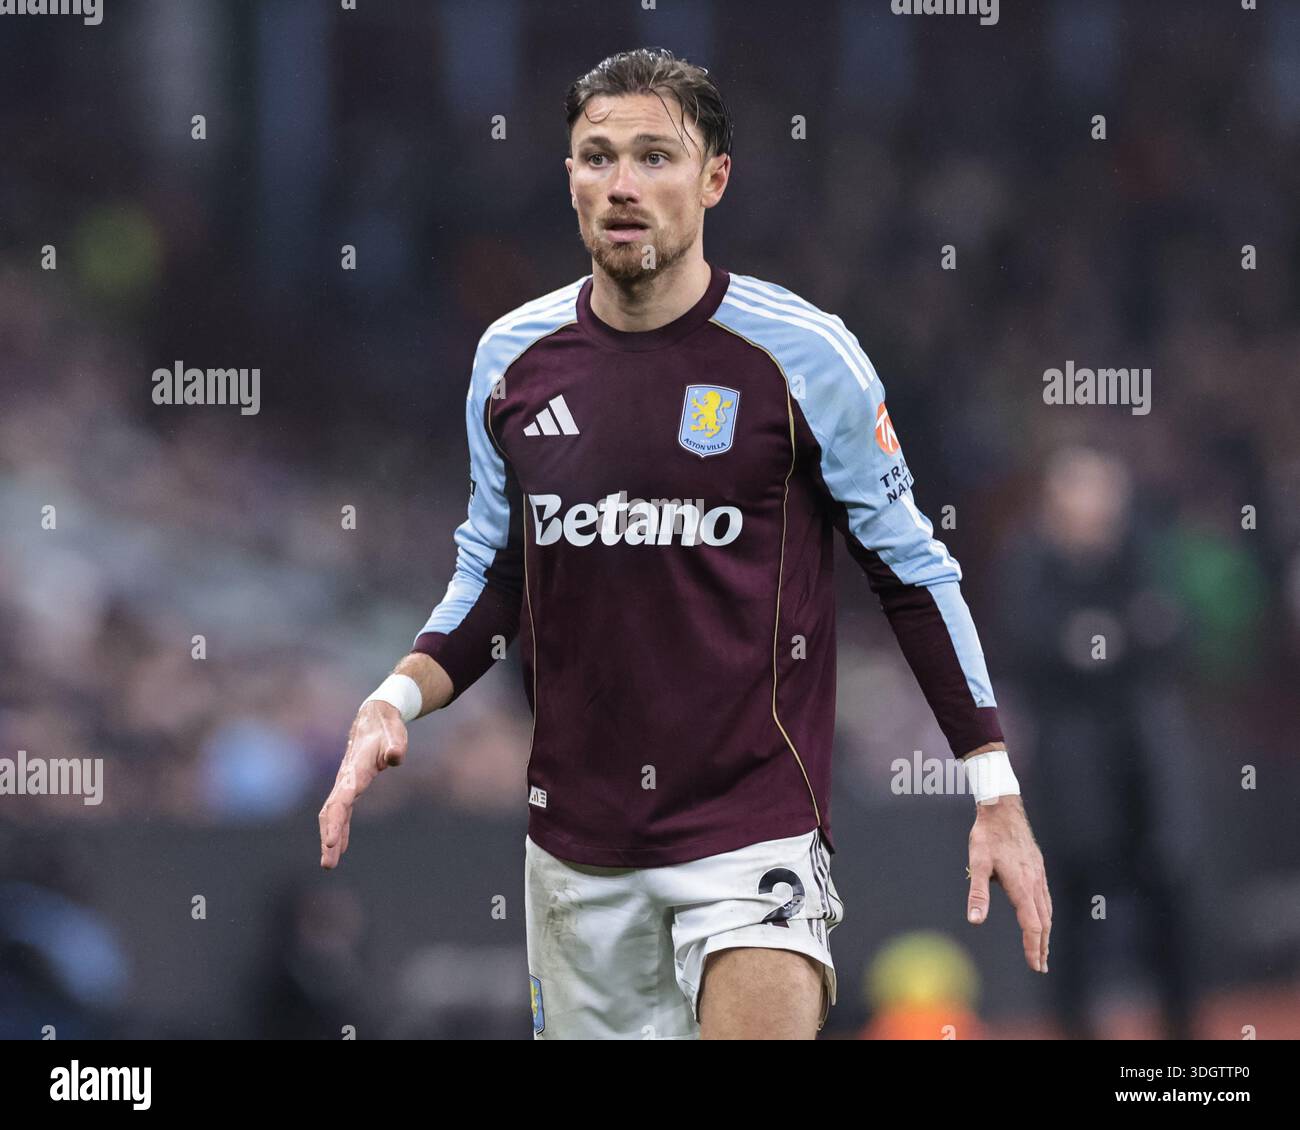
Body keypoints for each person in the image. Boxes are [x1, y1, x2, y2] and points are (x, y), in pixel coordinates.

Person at [319, 47, 1050, 1040]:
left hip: (752, 827)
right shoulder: (511, 362)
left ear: (714, 179)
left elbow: (911, 571)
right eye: (597, 155)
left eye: (655, 156)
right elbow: (496, 576)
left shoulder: (804, 354)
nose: (622, 183)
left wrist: (991, 780)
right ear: (569, 175)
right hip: (577, 845)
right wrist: (393, 696)